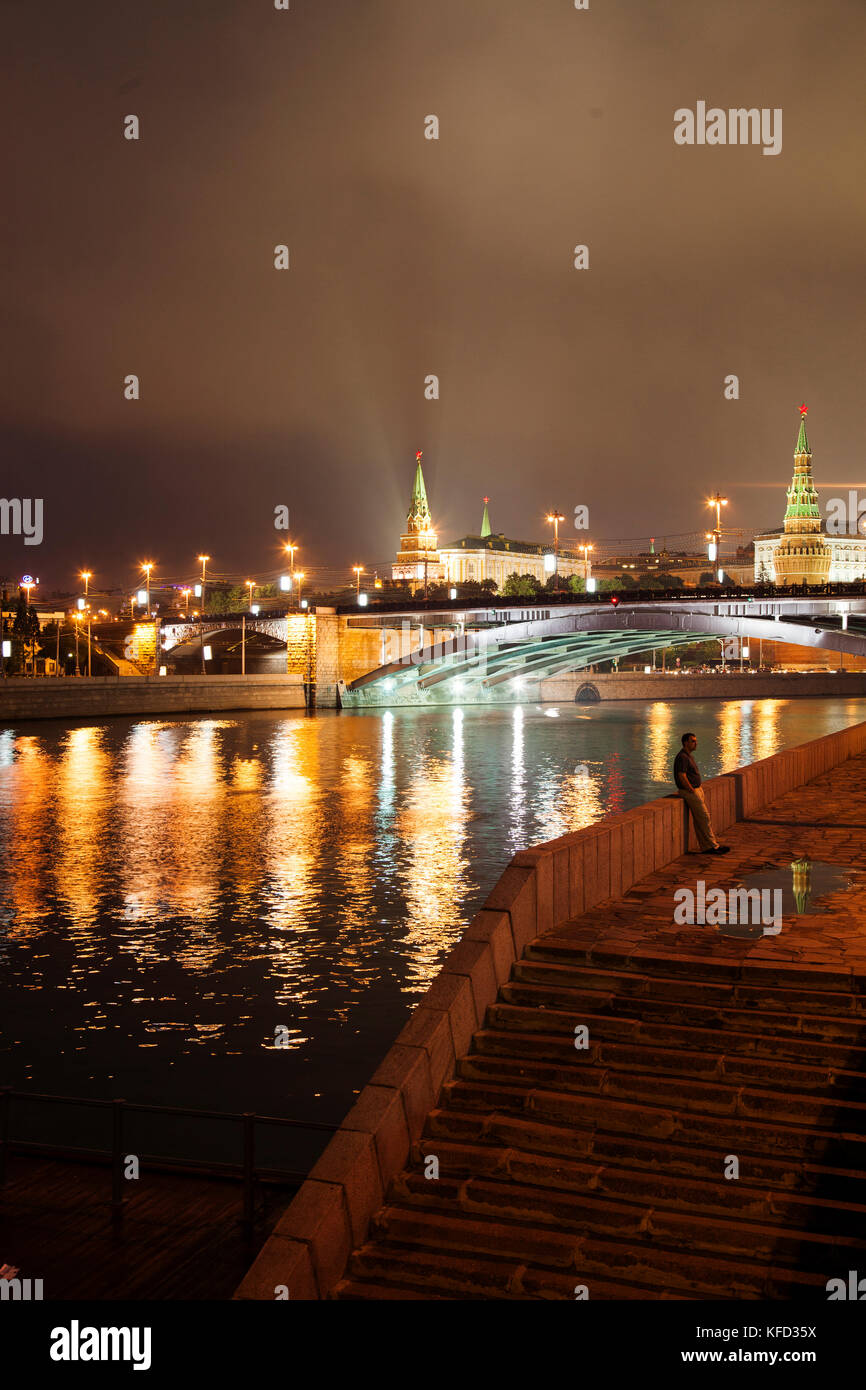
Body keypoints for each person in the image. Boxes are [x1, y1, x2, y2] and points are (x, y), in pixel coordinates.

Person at [674, 732, 730, 854]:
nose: (696, 743)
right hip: (690, 792)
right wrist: (691, 789)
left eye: (696, 741)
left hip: (695, 790)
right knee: (704, 818)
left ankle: (707, 847)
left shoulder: (688, 756)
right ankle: (713, 846)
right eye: (693, 741)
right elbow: (681, 776)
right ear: (685, 743)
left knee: (700, 820)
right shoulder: (682, 757)